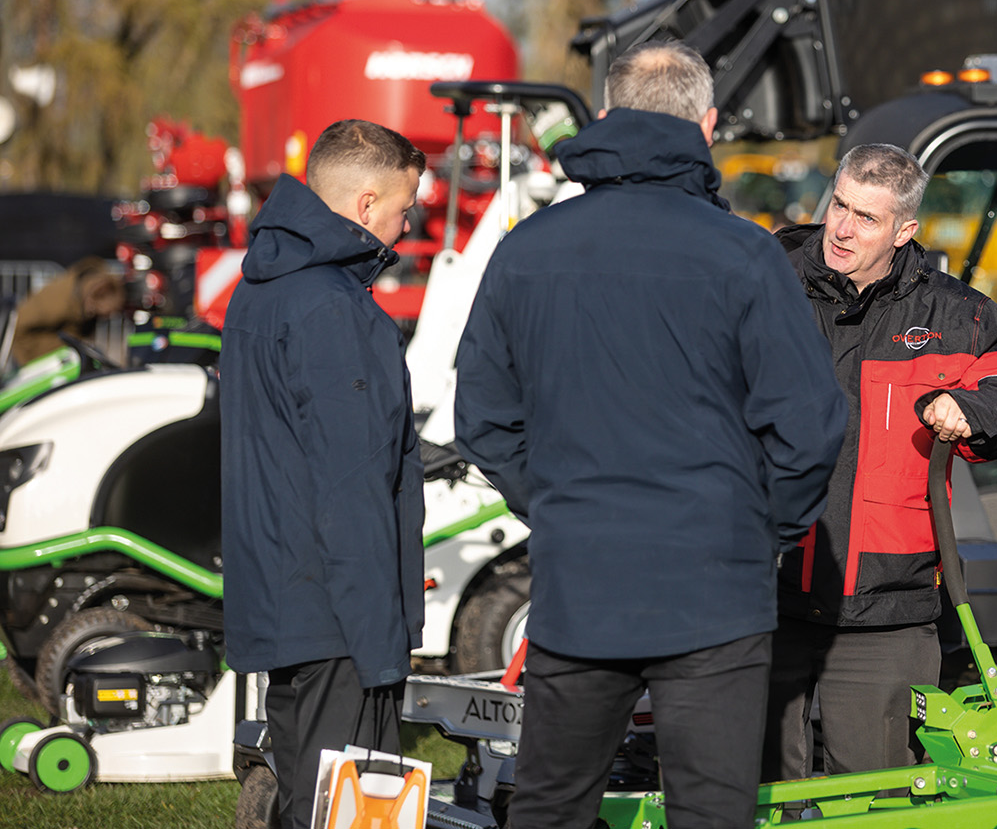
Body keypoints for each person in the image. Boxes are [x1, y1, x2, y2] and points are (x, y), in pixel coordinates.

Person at [455, 40, 847, 829]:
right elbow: (811, 424)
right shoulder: (744, 253)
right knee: (709, 810)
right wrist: (757, 526)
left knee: (550, 806)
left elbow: (484, 420)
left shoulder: (526, 251)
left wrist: (559, 503)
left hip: (582, 577)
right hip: (715, 587)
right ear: (705, 127)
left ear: (605, 116)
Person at [763, 143, 997, 782]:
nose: (841, 227)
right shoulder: (764, 280)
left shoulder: (957, 316)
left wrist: (974, 409)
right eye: (839, 205)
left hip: (887, 613)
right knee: (754, 799)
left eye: (866, 217)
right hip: (762, 597)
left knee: (876, 801)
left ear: (905, 230)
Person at [219, 119, 426, 829]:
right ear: (366, 205)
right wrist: (382, 646)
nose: (409, 223)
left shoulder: (263, 289)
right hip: (338, 614)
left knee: (305, 795)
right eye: (405, 206)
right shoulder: (334, 308)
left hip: (288, 602)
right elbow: (354, 483)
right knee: (351, 809)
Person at [8, 256, 126, 367]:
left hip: (57, 352)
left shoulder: (83, 293)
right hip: (31, 352)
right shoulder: (57, 301)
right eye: (96, 311)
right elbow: (20, 324)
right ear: (91, 302)